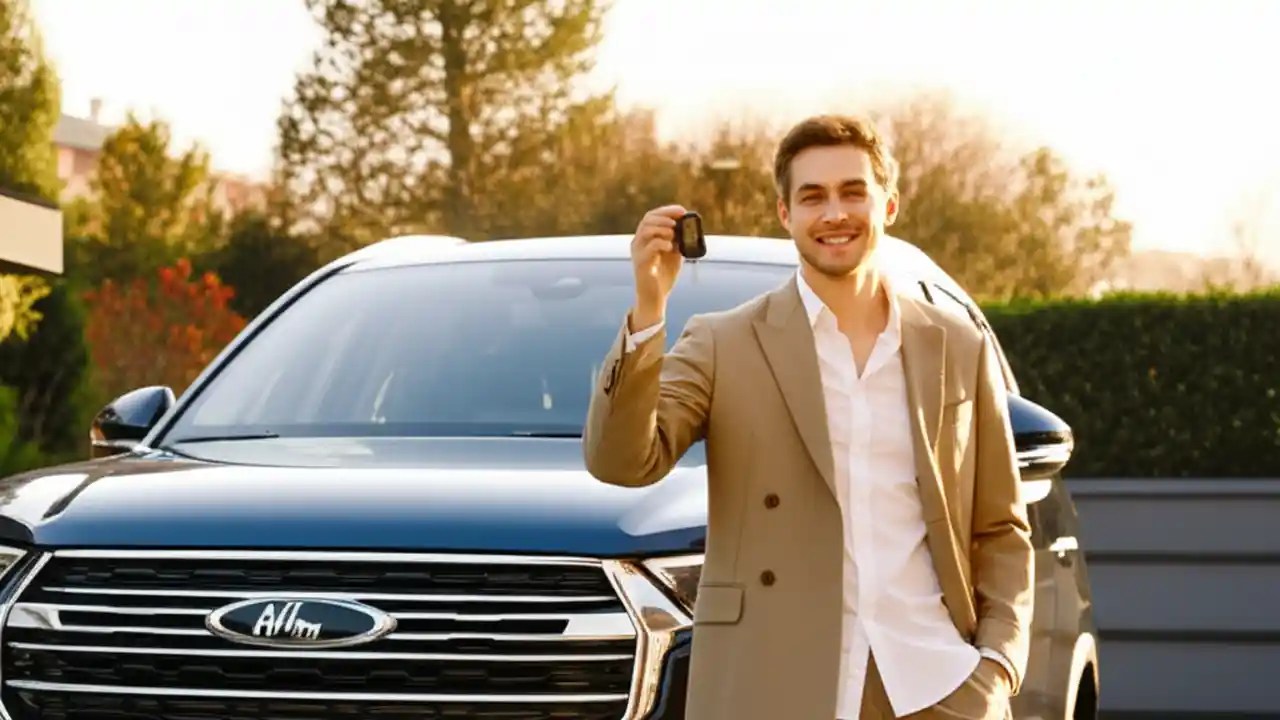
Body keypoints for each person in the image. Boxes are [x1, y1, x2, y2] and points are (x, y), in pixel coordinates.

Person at [582, 113, 1033, 720]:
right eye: (812, 196)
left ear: (889, 205)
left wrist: (998, 665)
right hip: (772, 682)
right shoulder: (725, 342)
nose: (834, 213)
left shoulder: (956, 343)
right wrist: (648, 309)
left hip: (936, 684)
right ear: (785, 214)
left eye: (853, 192)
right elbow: (622, 463)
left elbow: (1000, 527)